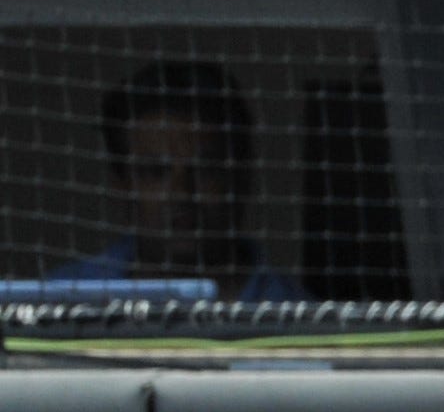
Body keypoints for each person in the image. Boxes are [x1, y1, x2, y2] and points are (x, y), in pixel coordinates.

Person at [58, 58, 304, 303]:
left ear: (241, 177)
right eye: (156, 172)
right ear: (121, 185)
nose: (182, 193)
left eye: (205, 170)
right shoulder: (60, 302)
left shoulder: (296, 314)